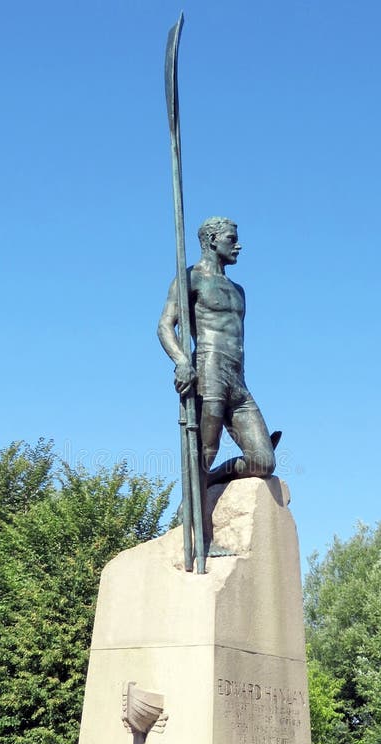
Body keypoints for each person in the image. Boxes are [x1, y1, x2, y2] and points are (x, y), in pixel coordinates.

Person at [157, 216, 278, 554]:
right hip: (207, 370)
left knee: (263, 461)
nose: (237, 244)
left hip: (237, 380)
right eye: (231, 238)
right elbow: (165, 326)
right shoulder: (190, 279)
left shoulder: (238, 290)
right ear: (211, 240)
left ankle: (210, 480)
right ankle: (200, 539)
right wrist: (182, 361)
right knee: (201, 455)